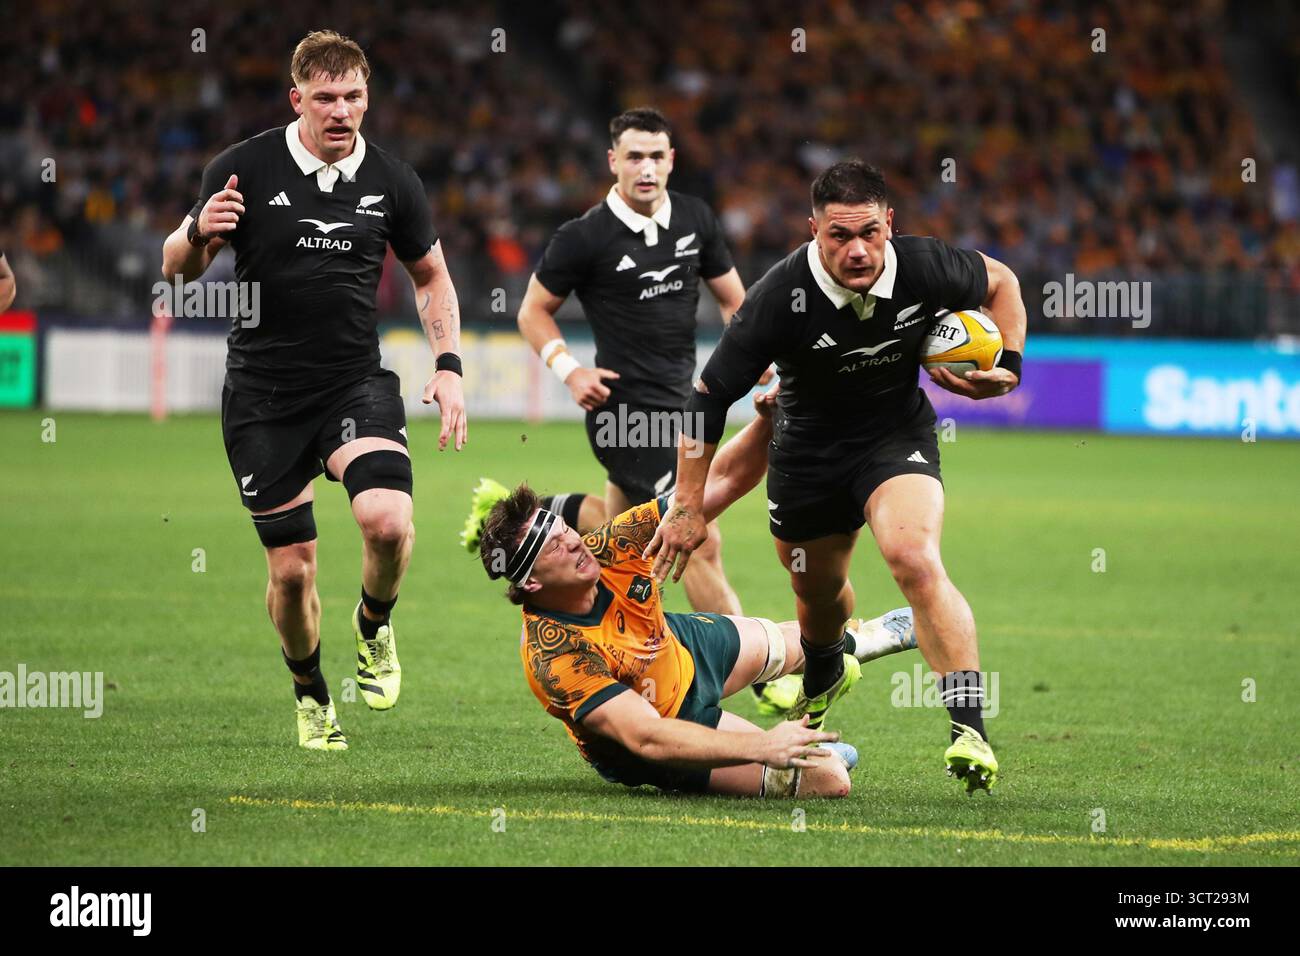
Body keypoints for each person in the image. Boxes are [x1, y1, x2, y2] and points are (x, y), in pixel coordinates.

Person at [646, 161, 1028, 793]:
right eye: (839, 237)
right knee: (818, 602)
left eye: (870, 233)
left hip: (893, 437)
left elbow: (1003, 282)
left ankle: (970, 731)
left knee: (914, 557)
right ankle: (828, 667)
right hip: (806, 455)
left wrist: (1009, 367)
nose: (857, 250)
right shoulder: (779, 297)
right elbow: (708, 397)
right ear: (814, 231)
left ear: (890, 226)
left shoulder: (927, 266)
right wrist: (687, 502)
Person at [160, 30, 467, 750]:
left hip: (353, 384)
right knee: (294, 574)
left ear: (368, 98)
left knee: (388, 522)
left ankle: (373, 625)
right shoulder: (239, 168)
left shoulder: (394, 181)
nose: (340, 111)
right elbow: (174, 275)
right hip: (264, 399)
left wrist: (448, 364)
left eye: (353, 96)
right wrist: (197, 234)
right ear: (296, 99)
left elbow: (432, 278)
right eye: (325, 97)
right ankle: (309, 691)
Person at [469, 390, 918, 798]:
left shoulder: (610, 547)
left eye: (565, 529)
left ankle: (870, 638)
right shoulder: (556, 656)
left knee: (799, 643)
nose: (573, 541)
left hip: (682, 648)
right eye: (553, 546)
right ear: (531, 583)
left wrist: (768, 420)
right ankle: (827, 753)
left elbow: (719, 481)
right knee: (830, 782)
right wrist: (764, 744)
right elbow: (647, 737)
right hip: (670, 731)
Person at [513, 107, 769, 621]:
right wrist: (570, 370)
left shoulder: (696, 219)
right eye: (635, 157)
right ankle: (761, 666)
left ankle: (550, 513)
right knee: (695, 534)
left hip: (685, 410)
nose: (646, 168)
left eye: (656, 156)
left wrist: (754, 354)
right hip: (623, 415)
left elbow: (733, 303)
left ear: (672, 160)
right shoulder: (583, 237)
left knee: (623, 538)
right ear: (614, 161)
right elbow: (531, 311)